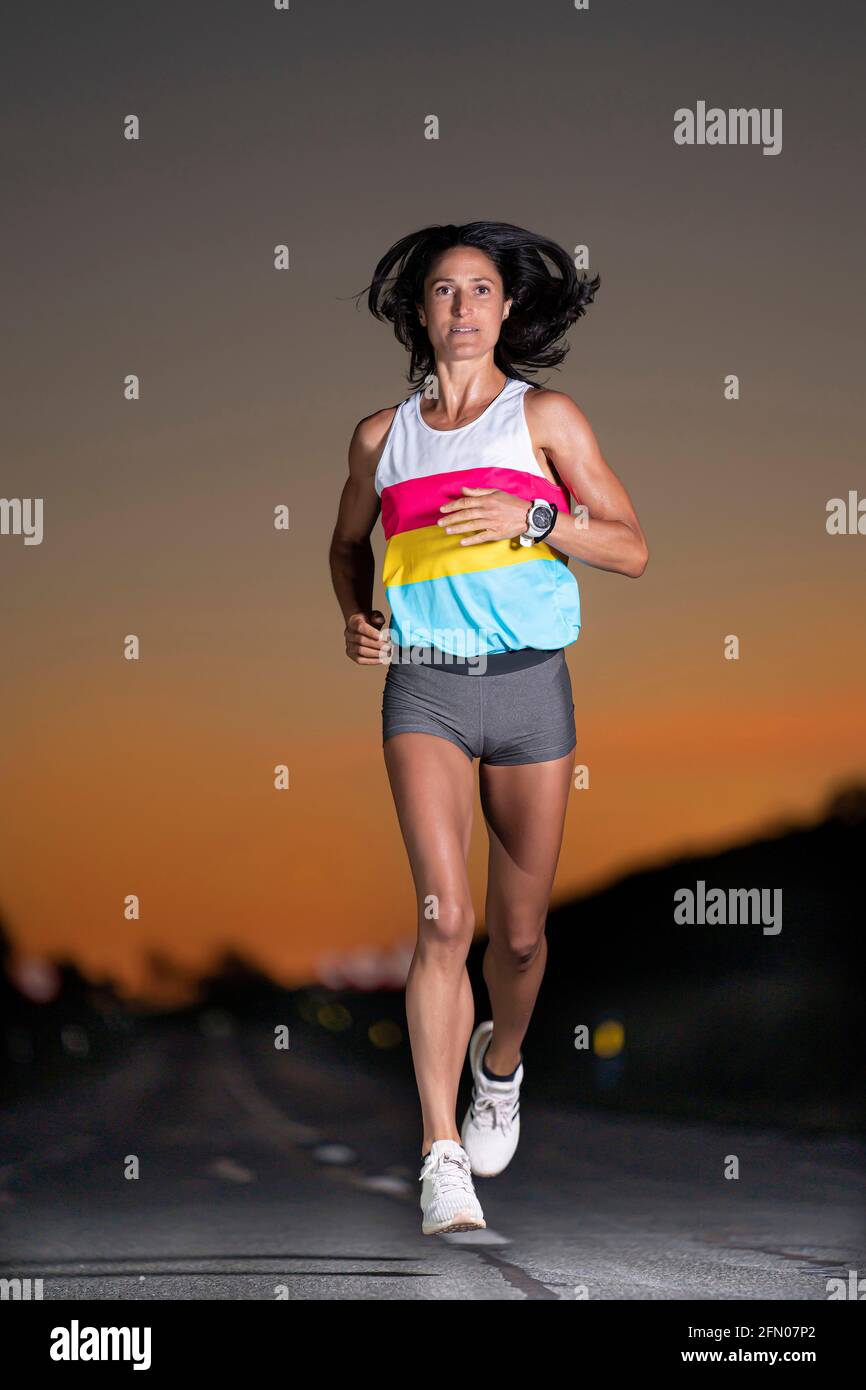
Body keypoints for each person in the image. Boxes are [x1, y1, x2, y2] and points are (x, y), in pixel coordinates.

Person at [329, 221, 648, 1235]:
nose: (461, 308)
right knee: (443, 921)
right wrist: (357, 613)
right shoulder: (381, 437)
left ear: (505, 309)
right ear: (417, 312)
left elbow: (633, 548)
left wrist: (538, 521)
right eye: (442, 291)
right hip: (422, 690)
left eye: (479, 290)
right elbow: (347, 545)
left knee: (515, 937)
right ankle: (440, 1155)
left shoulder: (544, 417)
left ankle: (498, 1065)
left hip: (529, 691)